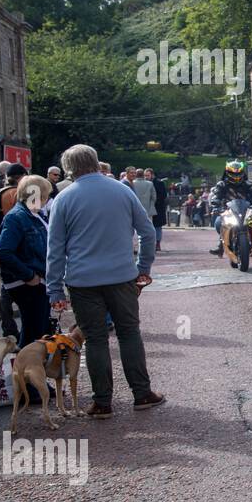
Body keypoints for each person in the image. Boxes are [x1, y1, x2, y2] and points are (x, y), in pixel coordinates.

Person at [46, 144, 166, 418]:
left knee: (96, 340)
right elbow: (148, 232)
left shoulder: (64, 198)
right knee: (129, 333)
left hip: (81, 280)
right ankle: (142, 393)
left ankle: (102, 402)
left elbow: (55, 249)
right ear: (96, 161)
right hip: (122, 277)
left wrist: (54, 289)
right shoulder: (122, 190)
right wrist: (142, 267)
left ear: (69, 169)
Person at [0, 174, 52, 348]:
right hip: (27, 283)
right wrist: (28, 276)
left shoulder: (31, 214)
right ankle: (25, 371)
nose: (47, 199)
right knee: (34, 334)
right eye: (45, 195)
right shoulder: (17, 217)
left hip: (34, 281)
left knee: (36, 331)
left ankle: (27, 370)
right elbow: (2, 252)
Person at [207, 161, 252, 255]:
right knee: (219, 222)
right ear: (227, 172)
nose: (236, 176)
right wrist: (215, 203)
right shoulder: (222, 185)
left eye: (238, 173)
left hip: (246, 211)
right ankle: (221, 246)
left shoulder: (248, 184)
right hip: (228, 211)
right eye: (233, 174)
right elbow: (216, 196)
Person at [147, 168, 168, 251]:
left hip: (158, 208)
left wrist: (154, 201)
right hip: (148, 208)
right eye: (145, 175)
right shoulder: (146, 183)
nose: (146, 177)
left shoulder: (159, 183)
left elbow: (163, 195)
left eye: (148, 175)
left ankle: (157, 243)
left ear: (152, 175)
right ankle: (151, 244)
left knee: (158, 227)